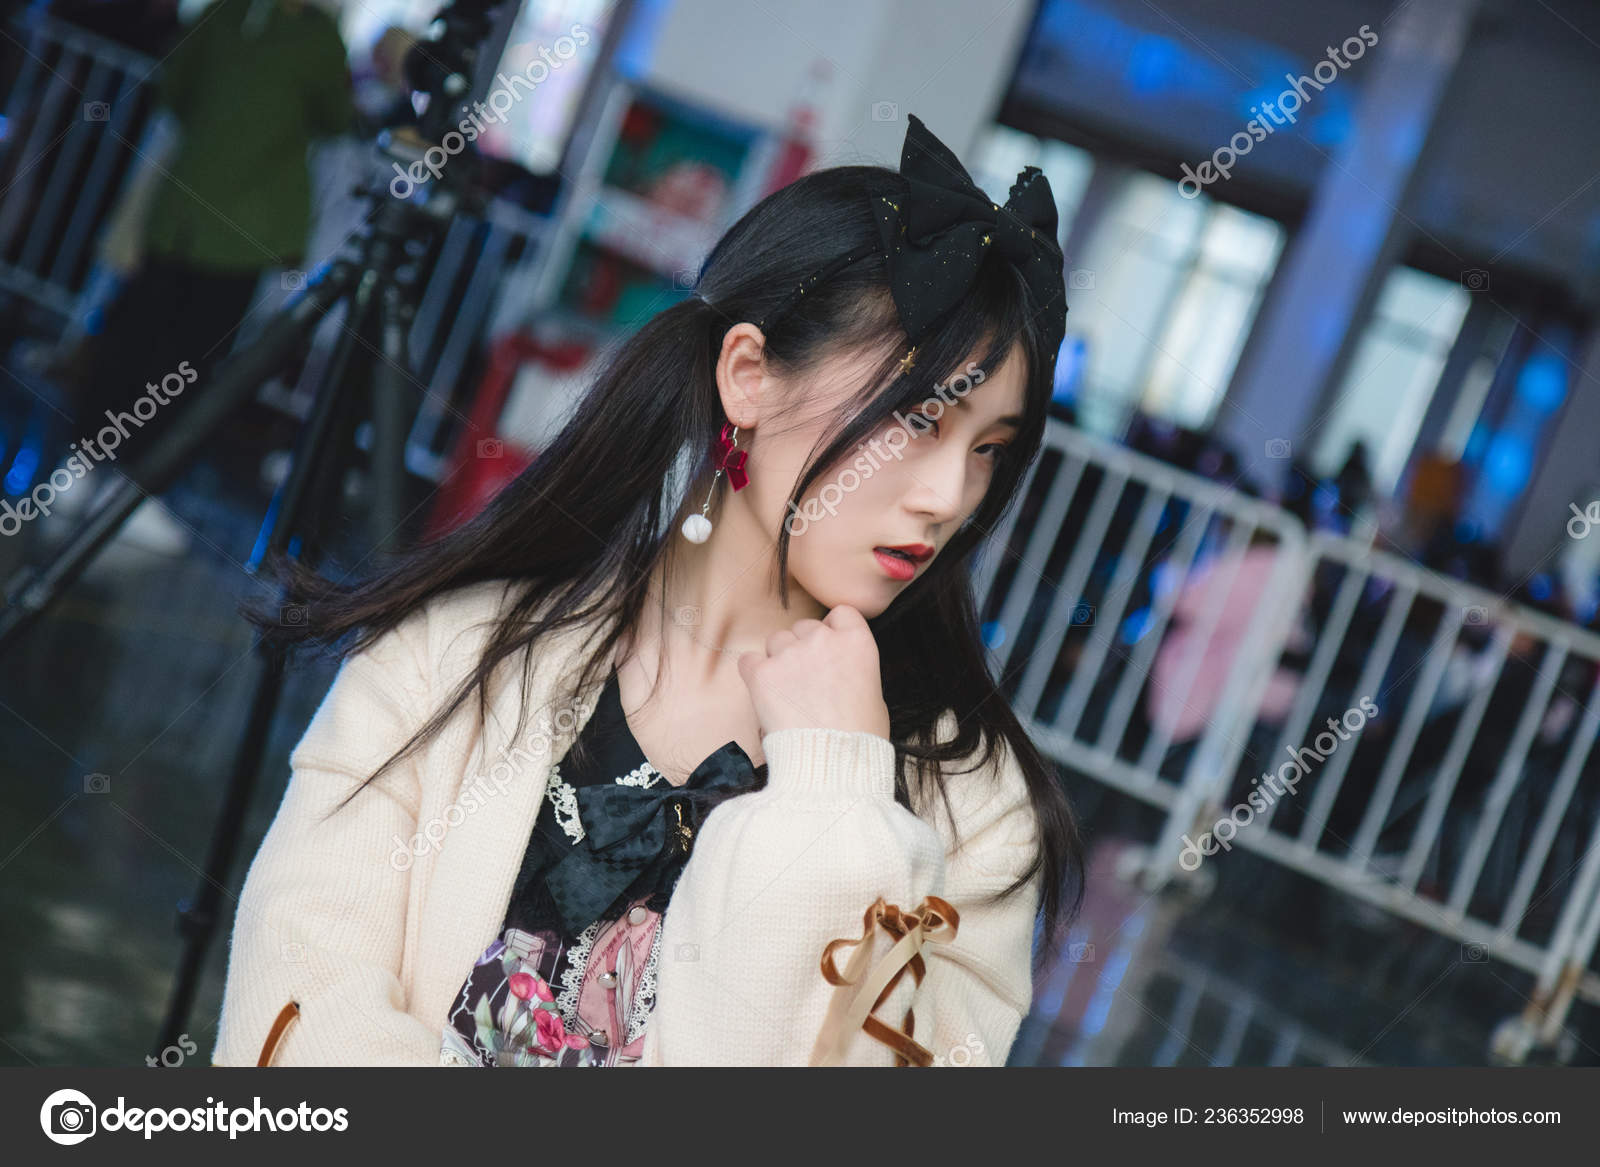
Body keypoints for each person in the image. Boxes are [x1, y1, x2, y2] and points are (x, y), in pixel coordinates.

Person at [211, 114, 1085, 1067]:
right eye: (917, 421)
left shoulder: (973, 806)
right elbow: (293, 1010)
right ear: (747, 376)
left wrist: (833, 786)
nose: (950, 494)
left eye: (989, 450)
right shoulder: (450, 653)